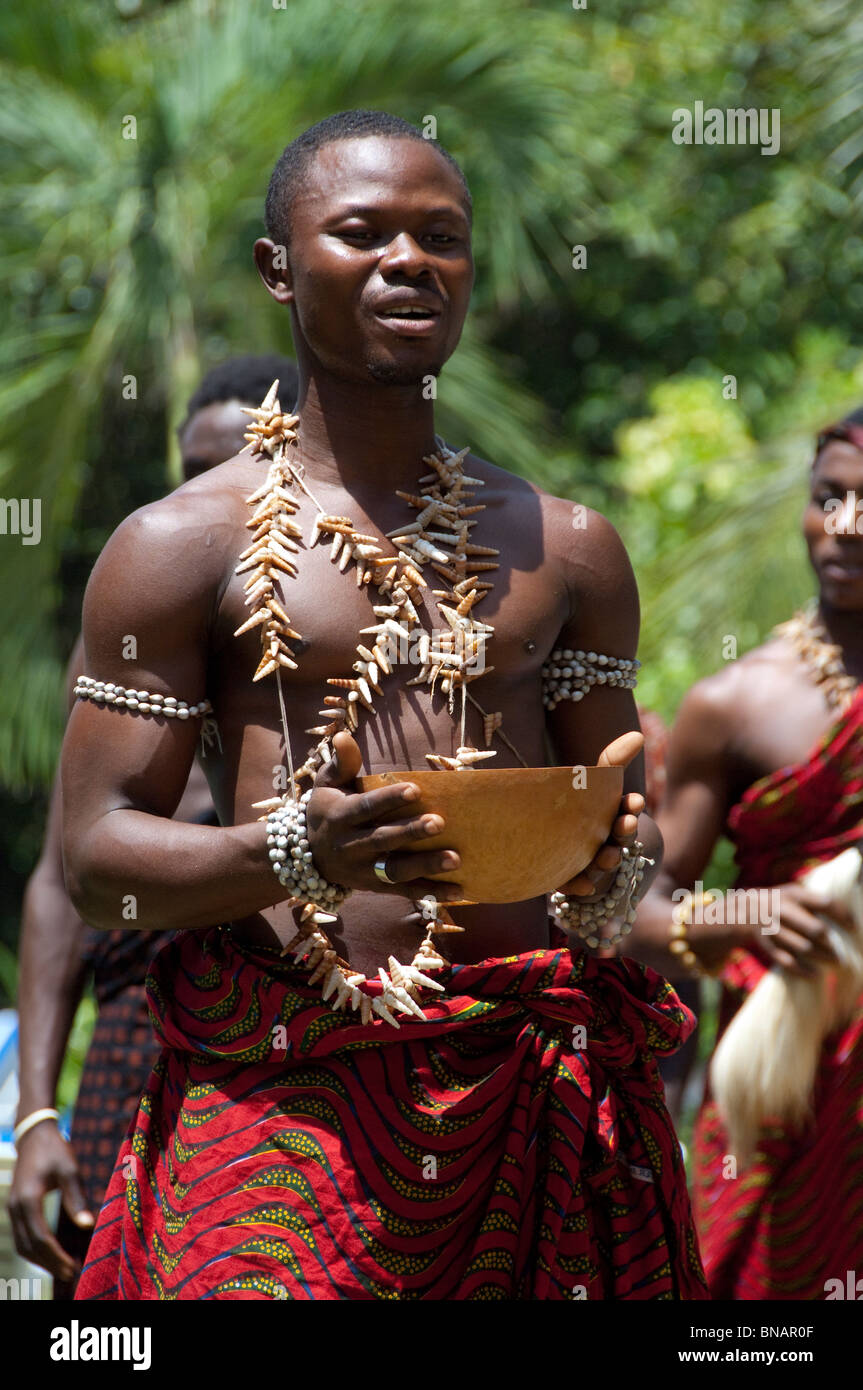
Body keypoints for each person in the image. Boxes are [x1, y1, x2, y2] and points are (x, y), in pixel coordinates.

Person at [61, 110, 706, 1301]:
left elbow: (614, 840)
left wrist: (616, 858)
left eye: (442, 237)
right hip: (280, 1110)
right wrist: (301, 849)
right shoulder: (175, 546)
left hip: (531, 1095)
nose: (409, 261)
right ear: (275, 269)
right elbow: (99, 862)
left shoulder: (567, 548)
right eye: (361, 233)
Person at [8, 354, 299, 1298]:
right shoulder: (133, 633)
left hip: (292, 1042)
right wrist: (36, 1115)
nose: (217, 491)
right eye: (194, 468)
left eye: (246, 462)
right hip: (138, 1034)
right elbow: (62, 877)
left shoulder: (345, 632)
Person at [629, 410, 863, 1299]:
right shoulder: (736, 704)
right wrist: (752, 915)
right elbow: (630, 911)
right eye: (826, 499)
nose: (843, 527)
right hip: (788, 1089)